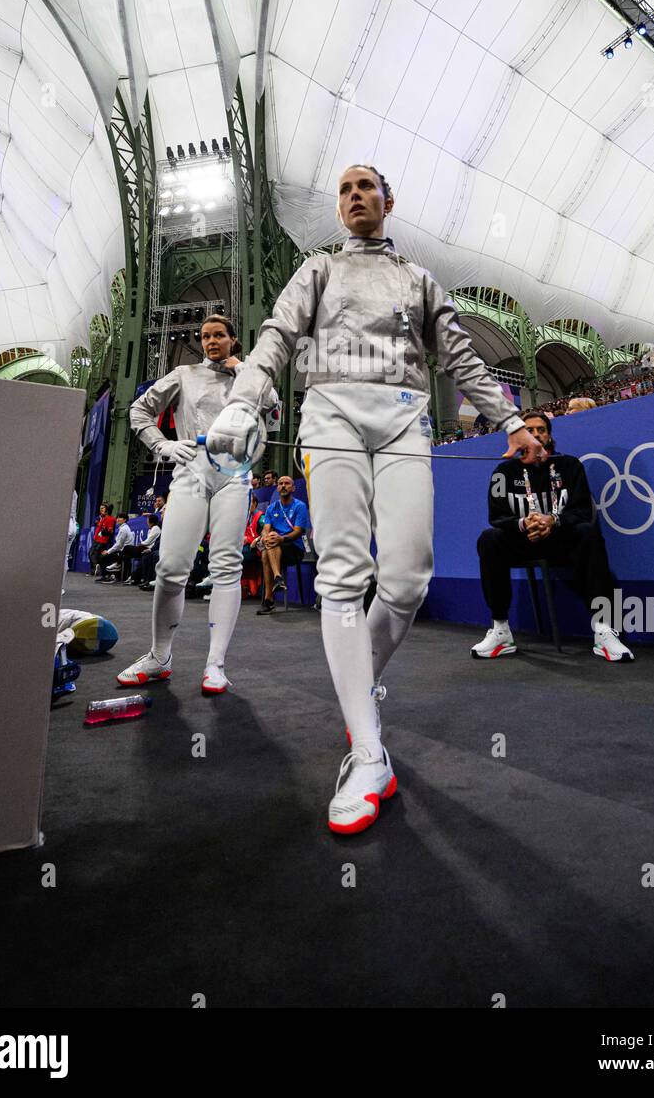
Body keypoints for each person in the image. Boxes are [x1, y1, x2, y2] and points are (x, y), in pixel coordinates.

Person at [207, 163, 544, 835]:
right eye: (345, 189)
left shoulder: (419, 280)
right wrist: (244, 403)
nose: (355, 196)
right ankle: (367, 750)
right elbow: (275, 335)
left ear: (389, 201)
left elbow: (462, 358)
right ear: (340, 207)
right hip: (329, 413)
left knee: (409, 576)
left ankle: (355, 690)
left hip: (403, 416)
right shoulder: (318, 271)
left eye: (366, 187)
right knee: (341, 575)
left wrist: (510, 422)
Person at [119, 315, 276, 695]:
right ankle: (159, 657)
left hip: (234, 477)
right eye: (205, 336)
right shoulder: (184, 374)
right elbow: (139, 411)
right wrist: (164, 445)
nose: (210, 341)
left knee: (226, 566)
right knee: (171, 566)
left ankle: (215, 665)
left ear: (233, 340)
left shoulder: (250, 375)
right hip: (190, 472)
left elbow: (274, 410)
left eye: (218, 335)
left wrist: (244, 370)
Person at [472, 410, 632, 662]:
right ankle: (500, 628)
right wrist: (525, 523)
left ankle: (603, 629)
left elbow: (580, 510)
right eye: (530, 430)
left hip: (562, 539)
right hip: (525, 541)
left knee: (588, 531)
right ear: (519, 435)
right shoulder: (504, 471)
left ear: (549, 435)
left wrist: (553, 520)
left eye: (541, 430)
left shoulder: (570, 465)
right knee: (489, 539)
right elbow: (497, 516)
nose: (536, 434)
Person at [259, 475, 310, 612]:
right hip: (275, 546)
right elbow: (265, 529)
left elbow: (298, 532)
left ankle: (269, 599)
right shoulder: (271, 508)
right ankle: (277, 578)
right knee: (267, 547)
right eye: (280, 483)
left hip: (294, 547)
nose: (283, 485)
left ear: (293, 488)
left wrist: (281, 538)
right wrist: (265, 537)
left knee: (270, 547)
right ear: (277, 487)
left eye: (287, 483)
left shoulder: (300, 506)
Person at [96, 513, 135, 581]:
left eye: (120, 518)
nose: (118, 519)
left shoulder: (124, 529)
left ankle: (106, 576)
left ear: (125, 520)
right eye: (117, 518)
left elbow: (118, 545)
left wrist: (108, 551)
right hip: (121, 551)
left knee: (103, 556)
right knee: (105, 554)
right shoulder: (123, 528)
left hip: (122, 553)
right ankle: (109, 574)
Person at [126, 514, 162, 587]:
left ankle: (143, 579)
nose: (147, 523)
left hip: (150, 549)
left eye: (148, 521)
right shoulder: (151, 529)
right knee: (128, 553)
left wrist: (140, 545)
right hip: (148, 548)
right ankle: (134, 577)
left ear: (151, 522)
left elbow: (148, 542)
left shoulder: (155, 528)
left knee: (127, 548)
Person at [88, 503, 115, 574]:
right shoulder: (101, 518)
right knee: (92, 554)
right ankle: (94, 570)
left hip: (102, 540)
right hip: (96, 539)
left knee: (93, 554)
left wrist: (103, 533)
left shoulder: (110, 519)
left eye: (103, 508)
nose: (101, 509)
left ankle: (96, 568)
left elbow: (110, 531)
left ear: (107, 510)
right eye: (100, 508)